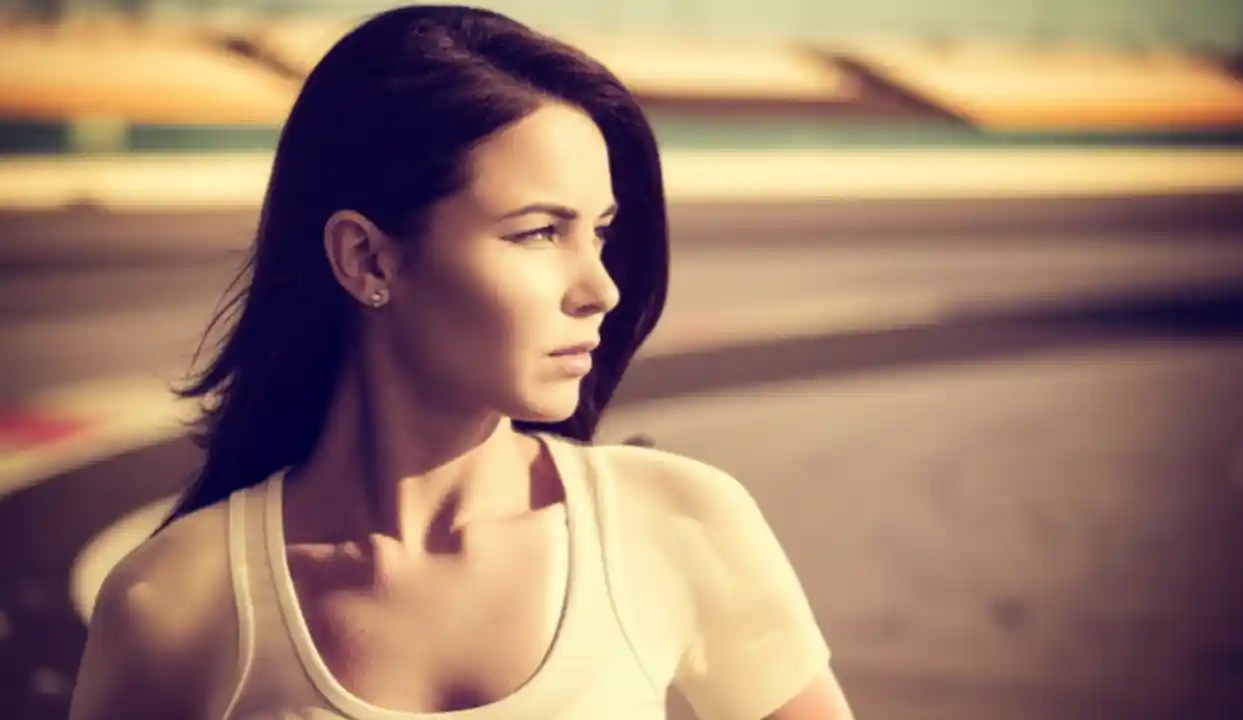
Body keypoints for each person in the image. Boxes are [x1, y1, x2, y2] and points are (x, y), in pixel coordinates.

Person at [68, 5, 853, 719]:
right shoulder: (173, 603)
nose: (601, 288)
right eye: (539, 232)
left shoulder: (678, 524)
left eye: (600, 231)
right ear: (366, 260)